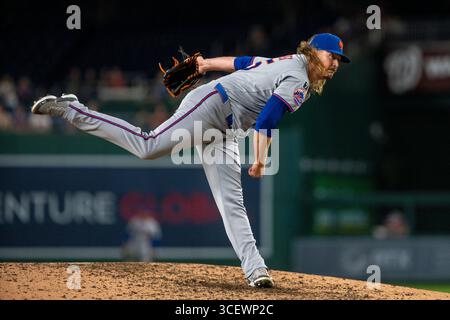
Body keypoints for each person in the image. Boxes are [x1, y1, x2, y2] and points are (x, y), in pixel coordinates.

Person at [31, 33, 350, 288]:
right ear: (311, 52)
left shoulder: (288, 64)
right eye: (330, 55)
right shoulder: (299, 77)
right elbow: (267, 121)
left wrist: (205, 63)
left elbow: (244, 61)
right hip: (212, 105)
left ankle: (256, 271)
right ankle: (72, 109)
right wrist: (260, 160)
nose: (335, 63)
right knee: (148, 146)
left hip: (227, 128)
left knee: (232, 203)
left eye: (338, 59)